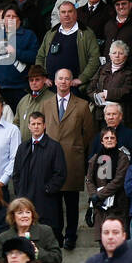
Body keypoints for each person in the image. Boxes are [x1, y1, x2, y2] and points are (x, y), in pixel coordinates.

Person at [43, 68, 95, 249]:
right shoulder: (46, 104)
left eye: (67, 79)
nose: (63, 82)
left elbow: (89, 133)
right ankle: (57, 235)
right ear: (55, 81)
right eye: (60, 79)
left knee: (71, 202)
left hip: (72, 159)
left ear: (71, 82)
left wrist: (78, 148)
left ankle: (71, 236)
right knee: (53, 202)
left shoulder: (81, 105)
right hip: (50, 161)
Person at [13, 111, 67, 239]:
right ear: (29, 126)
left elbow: (60, 173)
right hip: (26, 200)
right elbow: (16, 173)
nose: (36, 126)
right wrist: (19, 192)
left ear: (44, 126)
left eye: (39, 124)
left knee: (46, 237)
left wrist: (47, 189)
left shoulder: (54, 147)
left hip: (46, 202)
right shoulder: (23, 147)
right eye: (33, 124)